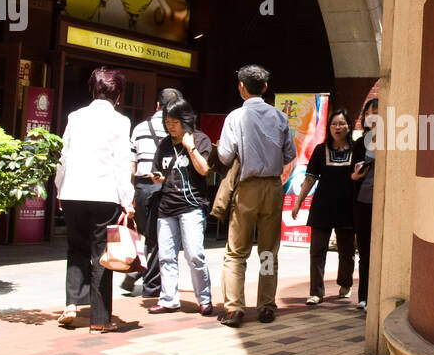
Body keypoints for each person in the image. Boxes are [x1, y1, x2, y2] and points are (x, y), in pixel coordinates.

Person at [55, 65, 134, 333]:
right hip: (105, 195)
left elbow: (63, 157)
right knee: (102, 253)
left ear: (93, 90)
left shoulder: (75, 117)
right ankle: (100, 319)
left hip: (74, 191)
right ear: (118, 95)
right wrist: (128, 199)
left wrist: (59, 189)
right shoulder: (121, 122)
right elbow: (122, 163)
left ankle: (71, 305)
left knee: (76, 247)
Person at [217, 64, 296, 327]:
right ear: (264, 87)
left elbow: (225, 155)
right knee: (268, 251)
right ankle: (265, 306)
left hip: (247, 187)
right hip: (273, 187)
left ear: (241, 87)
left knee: (236, 252)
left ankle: (234, 308)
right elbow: (289, 155)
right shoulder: (279, 117)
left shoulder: (235, 117)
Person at [148, 99, 214, 315]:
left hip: (192, 206)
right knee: (166, 256)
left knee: (194, 254)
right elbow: (157, 169)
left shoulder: (200, 139)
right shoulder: (165, 144)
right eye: (167, 122)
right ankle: (168, 299)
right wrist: (156, 178)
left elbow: (205, 170)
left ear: (186, 121)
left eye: (174, 122)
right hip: (166, 207)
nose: (170, 126)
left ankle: (204, 299)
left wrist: (190, 147)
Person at [121, 87, 183, 299]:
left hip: (141, 187)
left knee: (143, 233)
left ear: (157, 105)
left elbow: (131, 164)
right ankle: (151, 287)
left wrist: (128, 194)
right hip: (165, 188)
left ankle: (136, 270)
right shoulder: (176, 129)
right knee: (158, 240)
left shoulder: (139, 128)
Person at [291, 107, 356, 305]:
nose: (338, 127)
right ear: (329, 127)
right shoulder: (320, 150)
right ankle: (316, 292)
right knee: (317, 250)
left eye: (342, 124)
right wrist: (298, 202)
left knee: (347, 251)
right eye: (334, 124)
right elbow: (310, 178)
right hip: (322, 206)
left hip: (348, 207)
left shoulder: (356, 149)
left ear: (349, 127)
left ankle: (345, 283)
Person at [351, 96, 378, 311]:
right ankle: (364, 296)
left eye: (376, 112)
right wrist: (355, 176)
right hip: (362, 201)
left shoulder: (393, 140)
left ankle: (377, 296)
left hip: (383, 202)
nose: (371, 116)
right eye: (368, 113)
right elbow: (349, 175)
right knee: (365, 250)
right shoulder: (360, 143)